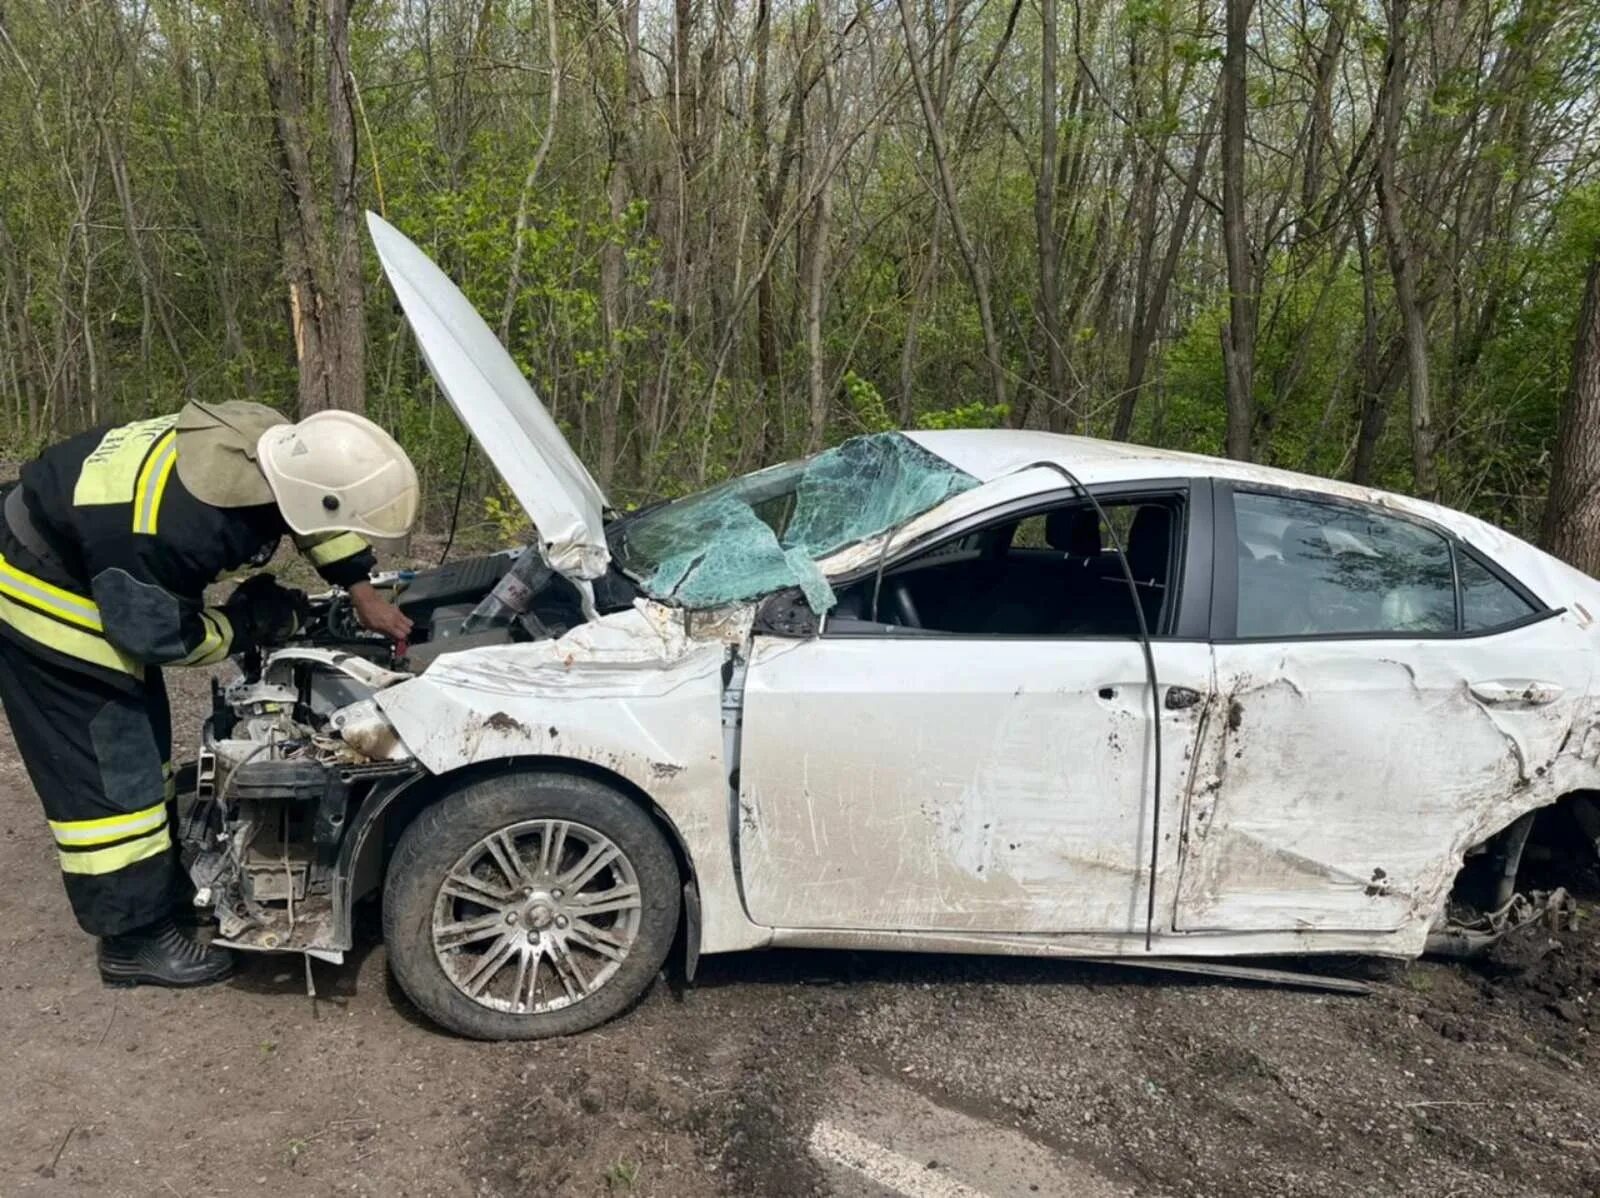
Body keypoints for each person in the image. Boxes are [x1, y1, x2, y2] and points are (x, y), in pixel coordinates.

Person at [0, 400, 419, 988]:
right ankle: (133, 941)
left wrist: (358, 587)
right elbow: (159, 636)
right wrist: (250, 626)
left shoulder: (263, 441)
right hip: (41, 587)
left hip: (91, 551)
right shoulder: (175, 527)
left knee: (145, 740)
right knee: (109, 763)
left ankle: (160, 887)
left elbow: (312, 510)